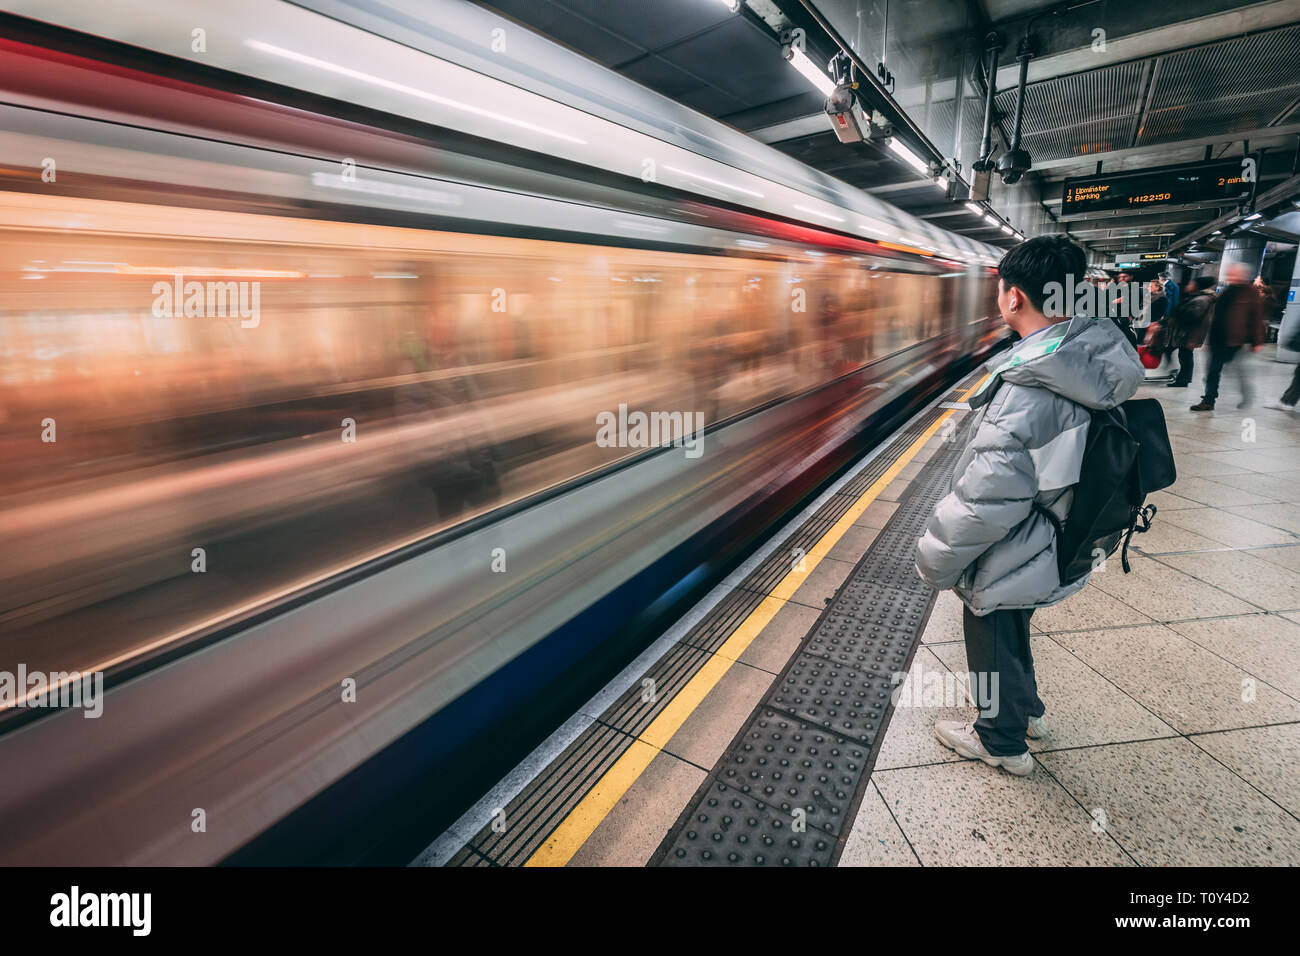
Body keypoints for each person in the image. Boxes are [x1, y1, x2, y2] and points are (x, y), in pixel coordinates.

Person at [915, 236, 1144, 776]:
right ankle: (1027, 713)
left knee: (989, 616)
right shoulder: (1084, 356)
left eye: (1000, 290)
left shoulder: (1033, 386)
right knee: (1013, 619)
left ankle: (1001, 741)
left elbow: (989, 496)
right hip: (1061, 526)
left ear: (1014, 297)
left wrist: (935, 557)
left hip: (1022, 534)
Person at [1191, 263, 1267, 411]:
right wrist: (1209, 340)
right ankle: (1209, 399)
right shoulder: (1227, 291)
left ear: (1242, 275)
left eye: (1233, 274)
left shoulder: (1249, 292)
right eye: (1230, 274)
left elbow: (1256, 318)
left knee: (1237, 371)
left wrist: (1257, 341)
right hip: (1219, 339)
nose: (1230, 277)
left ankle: (1246, 395)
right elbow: (1218, 316)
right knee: (1213, 370)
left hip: (1236, 340)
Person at [1165, 276, 1216, 388]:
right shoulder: (1197, 298)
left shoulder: (1201, 300)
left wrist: (1177, 312)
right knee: (1183, 356)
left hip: (1189, 334)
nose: (1188, 286)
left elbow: (1191, 316)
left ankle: (1182, 380)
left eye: (1191, 284)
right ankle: (1181, 378)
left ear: (1197, 286)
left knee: (1185, 356)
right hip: (1186, 333)